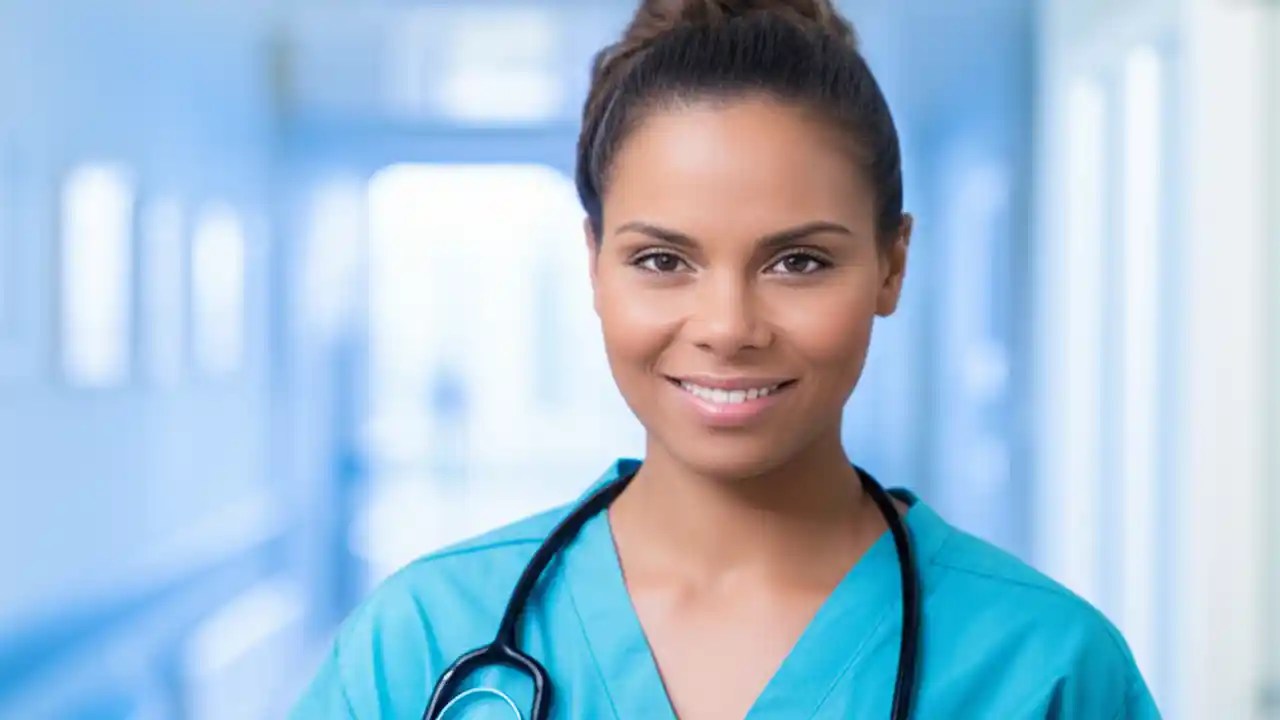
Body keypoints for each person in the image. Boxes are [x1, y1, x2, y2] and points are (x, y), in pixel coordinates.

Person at [291, 1, 1160, 718]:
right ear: (594, 263)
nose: (727, 326)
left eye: (799, 261)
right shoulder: (422, 643)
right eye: (663, 261)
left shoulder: (1047, 669)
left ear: (893, 263)